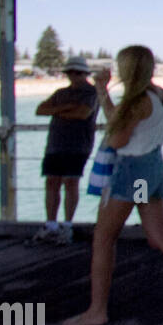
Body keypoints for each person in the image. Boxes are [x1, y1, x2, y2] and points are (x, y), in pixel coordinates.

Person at [63, 45, 163, 325]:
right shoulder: (159, 95)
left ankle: (97, 311)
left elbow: (118, 140)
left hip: (132, 172)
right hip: (153, 168)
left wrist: (103, 96)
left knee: (104, 239)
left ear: (127, 68)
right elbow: (118, 122)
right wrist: (102, 92)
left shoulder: (136, 101)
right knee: (159, 235)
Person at [29, 56, 99, 245]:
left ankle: (67, 225)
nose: (73, 76)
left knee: (71, 183)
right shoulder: (61, 92)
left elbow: (82, 113)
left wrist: (57, 110)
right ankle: (51, 224)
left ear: (85, 74)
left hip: (78, 145)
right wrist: (68, 107)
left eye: (78, 72)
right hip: (55, 144)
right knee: (51, 182)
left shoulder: (92, 92)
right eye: (71, 72)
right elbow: (40, 110)